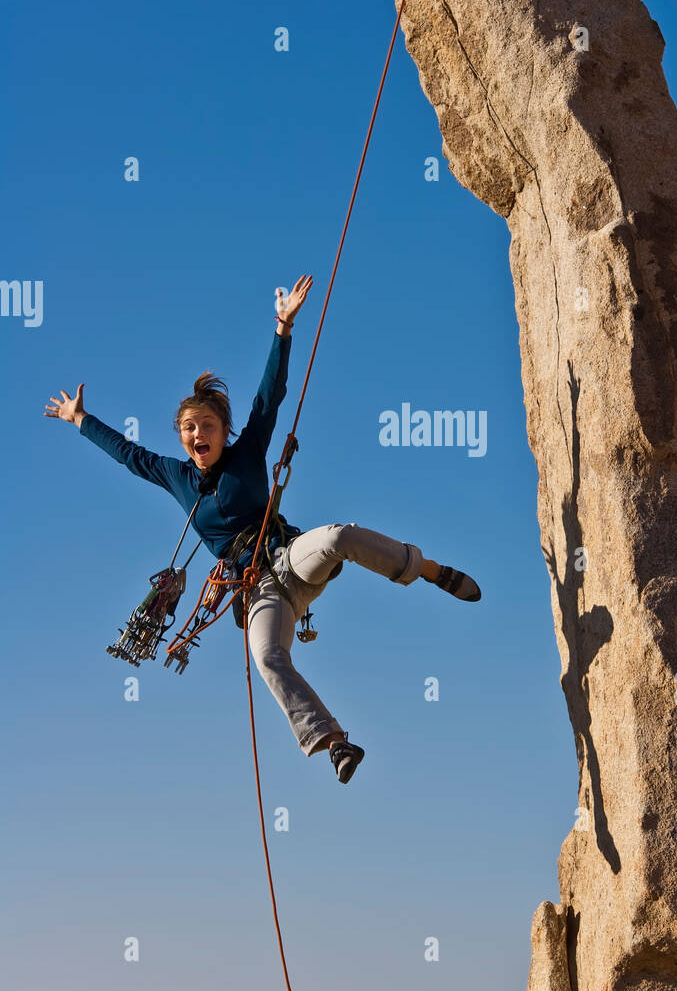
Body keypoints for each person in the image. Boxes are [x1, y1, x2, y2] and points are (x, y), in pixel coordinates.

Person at [44, 275, 481, 783]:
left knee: (339, 537)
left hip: (288, 555)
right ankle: (335, 742)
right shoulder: (176, 476)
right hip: (253, 589)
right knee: (267, 657)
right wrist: (82, 420)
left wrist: (283, 328)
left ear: (223, 431)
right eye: (189, 428)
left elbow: (269, 397)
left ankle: (428, 569)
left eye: (207, 425)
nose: (197, 433)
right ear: (182, 437)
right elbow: (130, 455)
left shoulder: (246, 452)